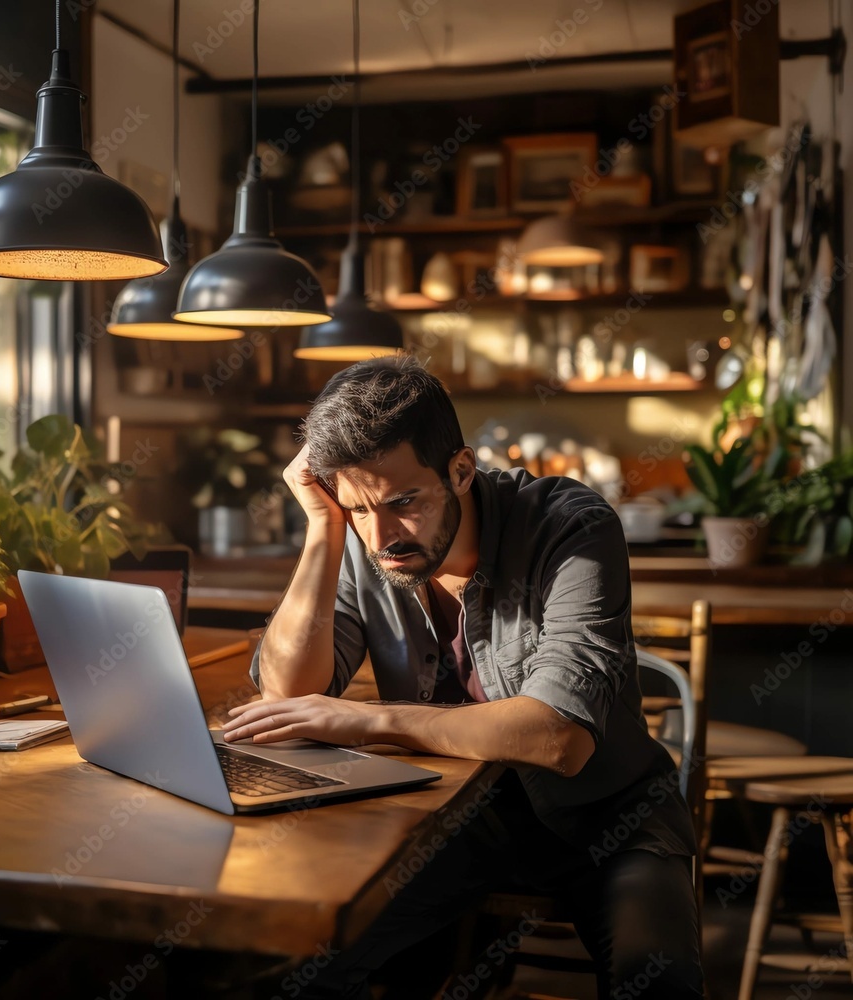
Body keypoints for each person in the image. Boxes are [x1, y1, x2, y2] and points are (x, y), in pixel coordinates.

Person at [223, 355, 704, 999]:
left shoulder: (572, 526)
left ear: (460, 469)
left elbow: (557, 738)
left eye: (403, 502)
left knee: (659, 983)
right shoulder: (364, 538)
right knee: (293, 964)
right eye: (358, 509)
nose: (382, 535)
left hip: (607, 821)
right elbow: (286, 695)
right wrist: (322, 528)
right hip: (448, 821)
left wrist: (374, 719)